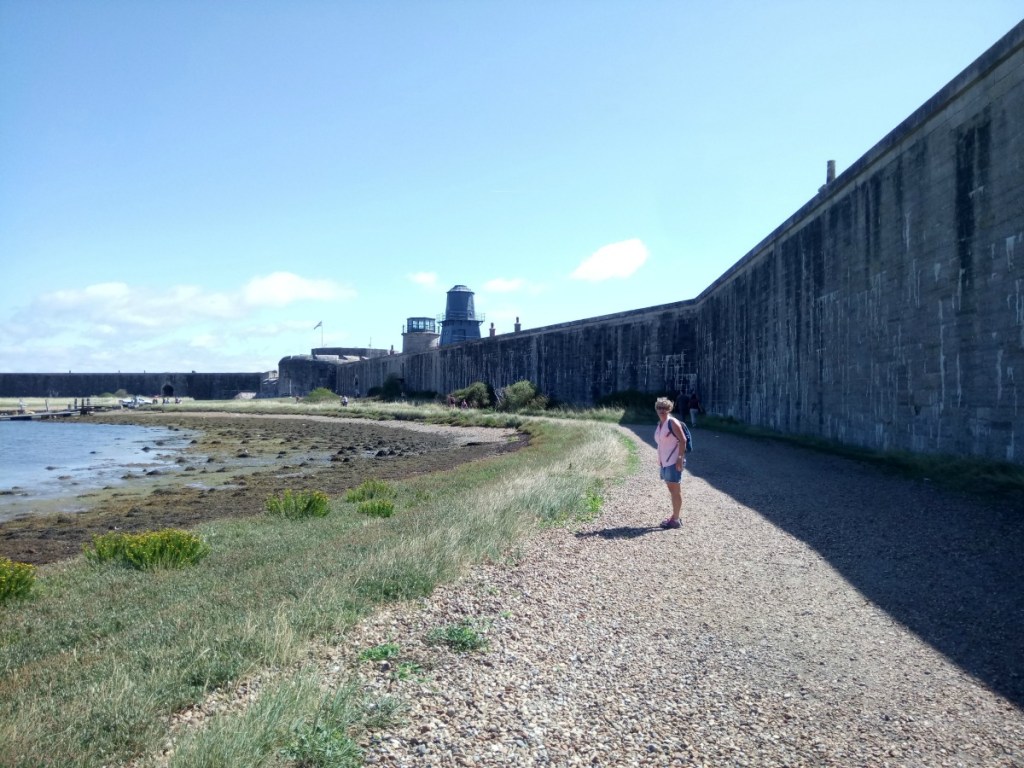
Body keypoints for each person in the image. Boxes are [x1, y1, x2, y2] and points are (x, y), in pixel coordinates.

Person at [654, 396, 688, 529]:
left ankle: (675, 519)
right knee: (672, 489)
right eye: (659, 407)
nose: (662, 410)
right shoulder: (660, 424)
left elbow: (683, 440)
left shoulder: (672, 422)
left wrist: (680, 457)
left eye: (664, 408)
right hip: (664, 462)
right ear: (656, 409)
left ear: (669, 409)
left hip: (673, 461)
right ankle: (675, 516)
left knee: (675, 490)